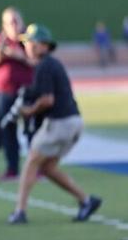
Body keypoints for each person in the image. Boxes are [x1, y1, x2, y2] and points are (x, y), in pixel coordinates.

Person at [8, 24, 102, 224]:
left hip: (60, 122)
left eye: (31, 42)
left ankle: (20, 211)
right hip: (73, 122)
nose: (27, 46)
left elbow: (48, 100)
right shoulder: (49, 64)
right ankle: (86, 200)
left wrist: (28, 111)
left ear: (43, 46)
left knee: (32, 160)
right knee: (48, 168)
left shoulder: (44, 65)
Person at [0, 7, 34, 181]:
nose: (12, 25)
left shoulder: (28, 40)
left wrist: (19, 55)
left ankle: (38, 168)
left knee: (32, 130)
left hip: (27, 91)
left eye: (15, 21)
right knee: (7, 130)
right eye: (9, 22)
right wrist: (0, 55)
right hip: (4, 92)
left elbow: (39, 62)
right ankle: (12, 168)